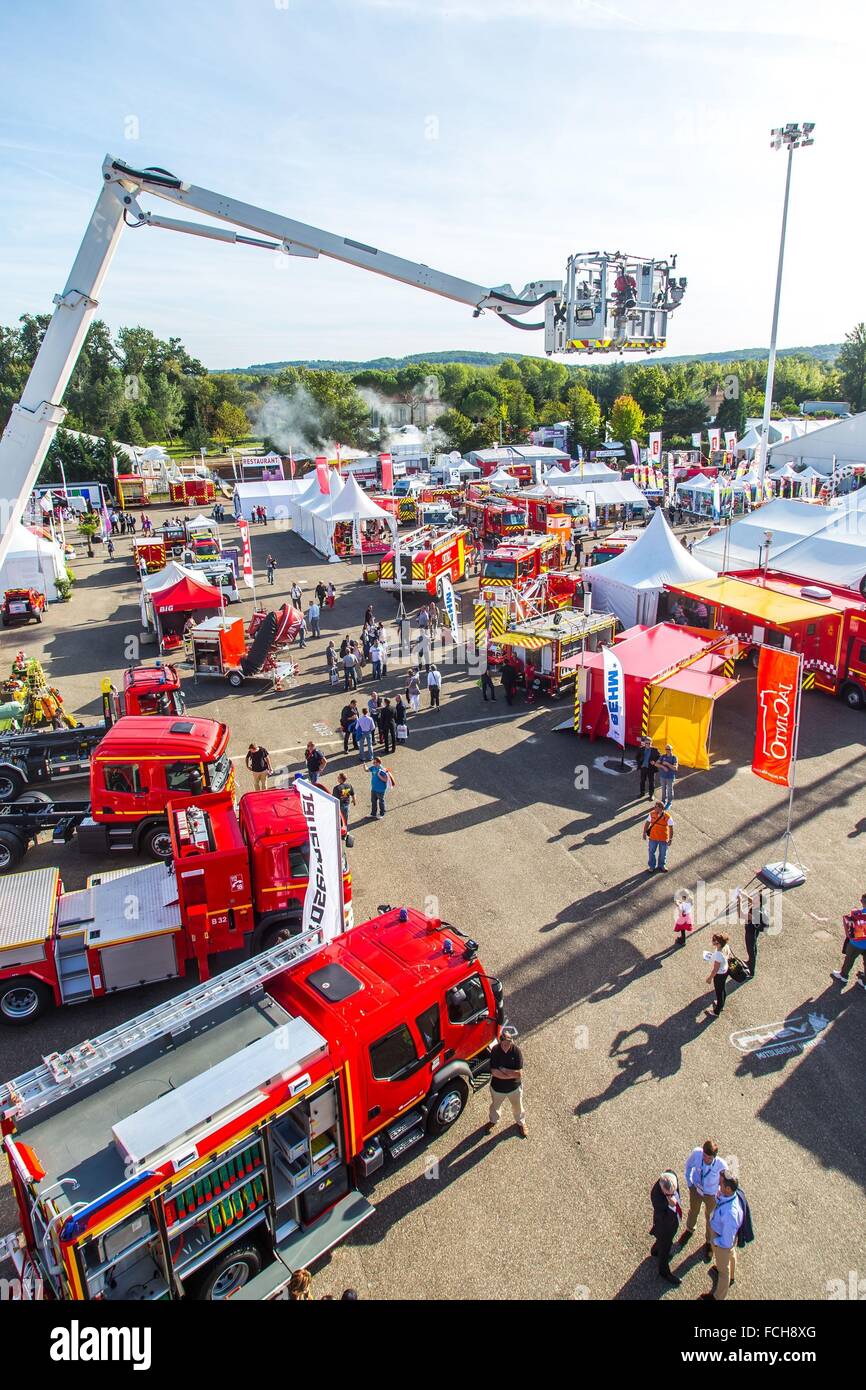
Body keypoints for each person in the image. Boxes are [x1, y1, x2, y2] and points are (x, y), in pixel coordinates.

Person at [699, 1172, 744, 1301]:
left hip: (722, 1240)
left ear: (728, 1189)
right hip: (724, 1236)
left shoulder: (730, 1214)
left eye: (721, 1183)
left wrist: (716, 1241)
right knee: (731, 1253)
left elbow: (727, 1240)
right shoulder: (729, 1195)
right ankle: (732, 1277)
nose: (718, 1184)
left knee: (723, 1271)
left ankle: (718, 1297)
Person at [679, 1140, 726, 1261]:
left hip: (711, 1195)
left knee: (710, 1219)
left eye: (708, 1157)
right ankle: (689, 1229)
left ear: (714, 1157)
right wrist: (690, 1183)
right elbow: (688, 1166)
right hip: (696, 1189)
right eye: (704, 1155)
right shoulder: (696, 1154)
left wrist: (720, 1193)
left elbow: (726, 1181)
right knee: (693, 1211)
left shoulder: (721, 1165)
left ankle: (709, 1242)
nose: (705, 1158)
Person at [485, 1024, 527, 1138]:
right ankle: (493, 1121)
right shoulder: (495, 1050)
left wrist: (503, 1070)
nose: (506, 1046)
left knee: (518, 1107)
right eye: (504, 1044)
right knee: (495, 1106)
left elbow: (519, 1074)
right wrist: (510, 1074)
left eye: (508, 1044)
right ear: (500, 1042)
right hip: (497, 1089)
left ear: (511, 1042)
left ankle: (521, 1123)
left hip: (514, 1088)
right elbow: (494, 1072)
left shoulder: (516, 1051)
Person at [649, 1171, 682, 1286]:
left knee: (663, 1243)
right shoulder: (658, 1199)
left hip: (672, 1223)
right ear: (662, 1190)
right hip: (665, 1227)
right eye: (668, 1194)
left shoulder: (672, 1175)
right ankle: (664, 1271)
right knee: (665, 1247)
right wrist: (671, 1206)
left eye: (674, 1192)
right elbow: (663, 1219)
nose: (672, 1195)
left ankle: (655, 1250)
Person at [831, 891, 866, 989]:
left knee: (849, 959)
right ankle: (865, 982)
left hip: (857, 944)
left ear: (863, 902)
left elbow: (851, 930)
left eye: (862, 900)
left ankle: (843, 976)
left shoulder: (858, 914)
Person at [740, 888, 771, 979]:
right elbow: (752, 901)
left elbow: (741, 914)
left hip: (750, 933)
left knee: (751, 951)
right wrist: (745, 895)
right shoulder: (759, 907)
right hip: (754, 930)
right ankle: (750, 962)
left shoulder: (756, 913)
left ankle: (751, 972)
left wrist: (740, 901)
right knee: (753, 948)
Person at [705, 932, 731, 1018]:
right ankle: (721, 1004)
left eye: (714, 941)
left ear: (719, 944)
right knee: (723, 989)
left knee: (719, 992)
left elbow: (715, 969)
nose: (713, 942)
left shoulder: (718, 955)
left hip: (719, 974)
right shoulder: (726, 946)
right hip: (725, 970)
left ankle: (717, 1011)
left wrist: (710, 978)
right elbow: (729, 956)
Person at [643, 801, 673, 872]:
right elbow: (647, 823)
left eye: (656, 807)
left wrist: (670, 839)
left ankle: (662, 865)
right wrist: (644, 832)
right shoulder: (651, 814)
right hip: (653, 837)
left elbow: (671, 829)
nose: (654, 808)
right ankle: (651, 866)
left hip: (663, 838)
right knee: (651, 852)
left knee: (663, 853)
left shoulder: (668, 817)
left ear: (661, 808)